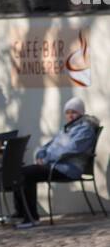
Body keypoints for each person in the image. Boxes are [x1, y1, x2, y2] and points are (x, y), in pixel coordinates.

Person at [15, 97, 99, 226]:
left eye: (74, 112)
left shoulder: (85, 129)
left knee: (26, 173)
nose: (70, 115)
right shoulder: (66, 129)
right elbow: (48, 145)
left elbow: (71, 149)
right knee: (19, 172)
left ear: (81, 113)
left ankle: (30, 218)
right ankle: (22, 214)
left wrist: (46, 158)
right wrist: (40, 154)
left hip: (69, 168)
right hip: (55, 165)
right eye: (68, 112)